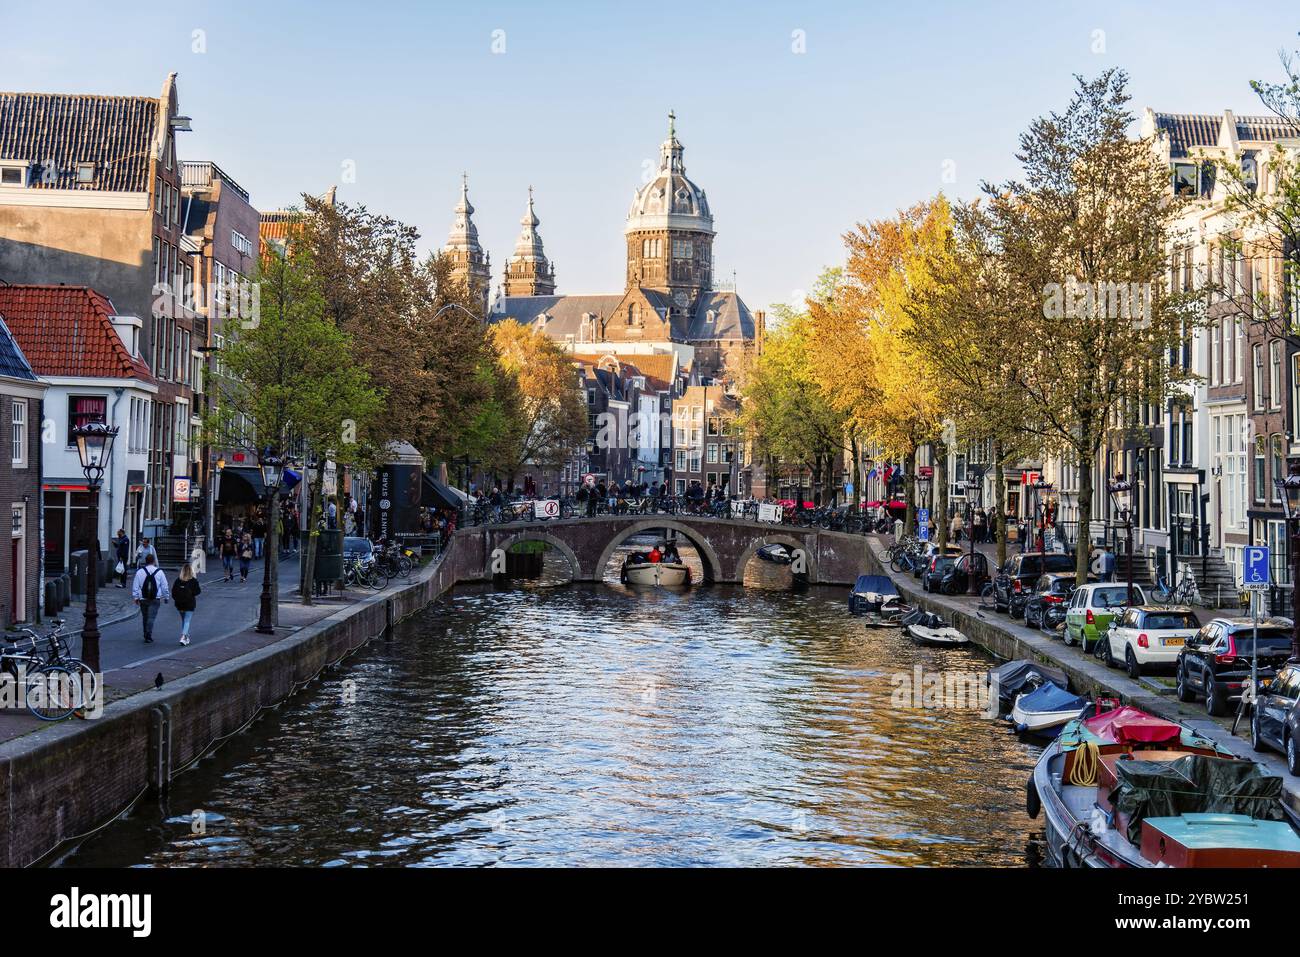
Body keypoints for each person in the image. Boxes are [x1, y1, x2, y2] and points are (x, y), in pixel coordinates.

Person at [132, 554, 170, 644]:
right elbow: (165, 586)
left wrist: (136, 597)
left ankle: (145, 633)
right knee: (151, 617)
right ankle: (148, 635)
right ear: (153, 561)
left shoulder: (140, 572)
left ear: (146, 561)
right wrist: (166, 597)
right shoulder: (159, 572)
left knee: (145, 617)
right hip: (155, 598)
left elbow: (135, 586)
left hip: (143, 598)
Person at [172, 563, 201, 645]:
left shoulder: (178, 580)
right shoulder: (193, 581)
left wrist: (177, 599)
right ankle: (183, 636)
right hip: (189, 604)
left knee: (184, 621)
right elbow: (198, 591)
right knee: (187, 621)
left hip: (179, 604)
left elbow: (173, 592)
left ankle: (186, 637)